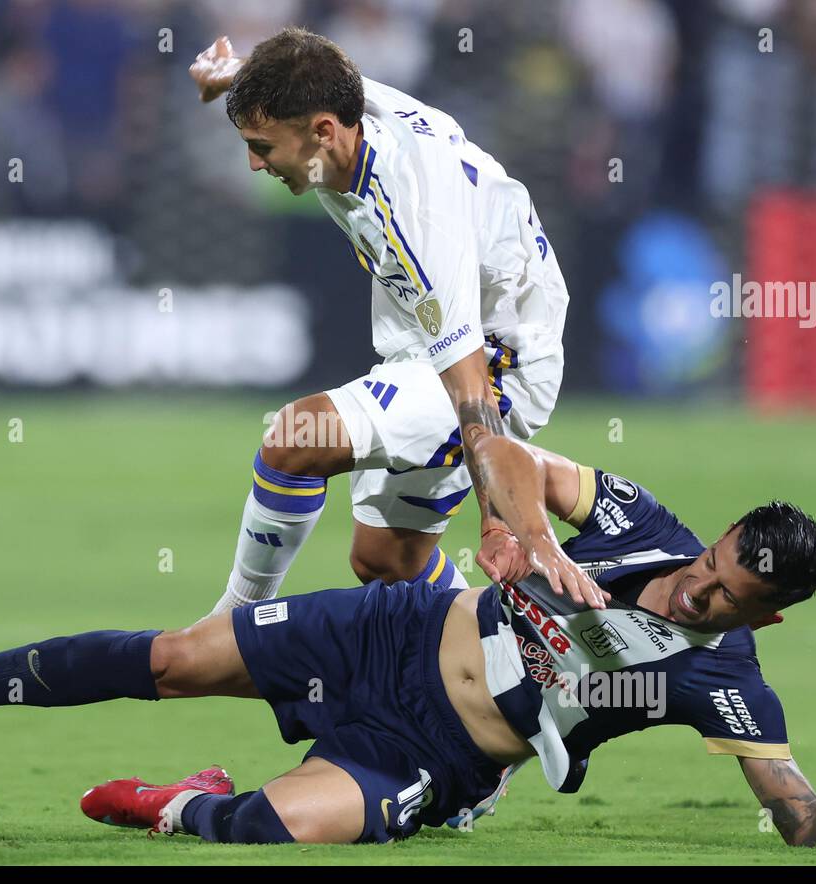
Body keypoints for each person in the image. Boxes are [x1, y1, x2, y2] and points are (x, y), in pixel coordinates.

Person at [0, 443, 816, 851]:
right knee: (168, 659)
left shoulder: (725, 678)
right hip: (383, 632)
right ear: (719, 534)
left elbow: (788, 796)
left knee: (272, 827)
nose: (695, 589)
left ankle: (177, 801)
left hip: (430, 754)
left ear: (760, 618)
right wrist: (523, 532)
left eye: (722, 597)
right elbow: (508, 449)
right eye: (711, 562)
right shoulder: (642, 525)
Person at [188, 28, 573, 613]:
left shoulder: (417, 213)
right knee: (386, 562)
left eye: (262, 147)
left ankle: (233, 625)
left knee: (295, 438)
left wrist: (496, 522)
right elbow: (304, 75)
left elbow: (472, 394)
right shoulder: (340, 108)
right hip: (442, 331)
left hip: (498, 359)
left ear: (323, 133)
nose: (253, 163)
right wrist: (232, 73)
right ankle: (513, 666)